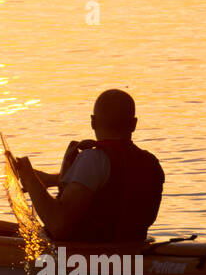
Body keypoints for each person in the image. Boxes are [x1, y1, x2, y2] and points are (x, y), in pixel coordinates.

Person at [9, 89, 164, 243]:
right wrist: (51, 180)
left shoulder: (92, 159)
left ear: (93, 122)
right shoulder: (151, 162)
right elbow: (118, 182)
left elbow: (59, 225)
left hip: (89, 255)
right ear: (134, 124)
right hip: (132, 249)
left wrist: (30, 178)